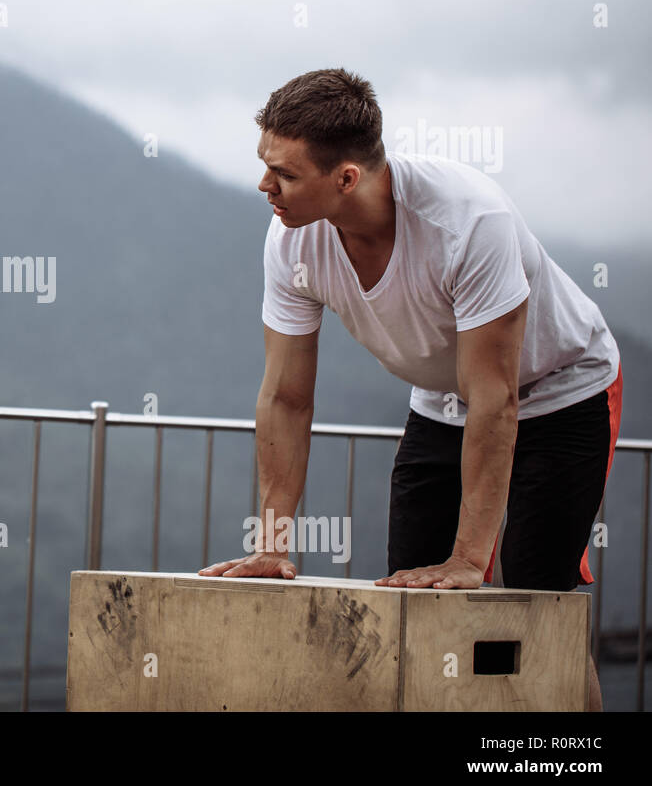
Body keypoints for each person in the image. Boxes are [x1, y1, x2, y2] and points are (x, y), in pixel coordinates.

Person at [199, 68, 622, 711]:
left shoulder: (469, 221)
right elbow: (286, 397)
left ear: (346, 178)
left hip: (562, 390)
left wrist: (468, 560)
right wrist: (272, 542)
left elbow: (497, 399)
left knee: (538, 596)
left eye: (283, 174)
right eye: (265, 165)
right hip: (446, 401)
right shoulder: (291, 242)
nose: (264, 186)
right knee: (412, 599)